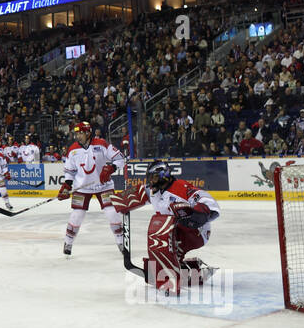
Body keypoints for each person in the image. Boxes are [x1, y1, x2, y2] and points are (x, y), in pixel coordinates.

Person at [112, 160, 220, 294]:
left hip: (197, 231)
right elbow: (130, 197)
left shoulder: (181, 187)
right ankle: (188, 270)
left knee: (166, 243)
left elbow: (212, 206)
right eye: (150, 177)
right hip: (175, 229)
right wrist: (116, 201)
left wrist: (195, 216)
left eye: (154, 177)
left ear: (164, 176)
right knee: (160, 238)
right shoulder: (153, 191)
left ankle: (170, 276)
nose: (151, 181)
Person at [57, 121, 127, 256]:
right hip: (82, 187)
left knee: (112, 212)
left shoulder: (101, 144)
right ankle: (68, 242)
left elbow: (120, 159)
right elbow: (69, 171)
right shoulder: (73, 149)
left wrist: (111, 168)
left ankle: (121, 241)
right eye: (76, 133)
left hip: (104, 186)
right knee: (77, 215)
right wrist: (67, 185)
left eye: (80, 133)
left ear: (88, 133)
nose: (78, 136)